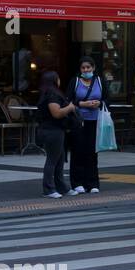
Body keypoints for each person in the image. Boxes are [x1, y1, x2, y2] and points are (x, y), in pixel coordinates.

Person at [36, 70, 77, 199]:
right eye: (58, 78)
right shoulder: (52, 94)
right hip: (52, 130)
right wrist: (70, 108)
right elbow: (56, 113)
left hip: (54, 130)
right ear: (54, 80)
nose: (60, 80)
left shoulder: (48, 93)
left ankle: (62, 187)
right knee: (52, 160)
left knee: (59, 160)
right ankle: (48, 189)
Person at [67, 57, 104, 195]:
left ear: (93, 68)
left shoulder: (100, 81)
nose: (86, 70)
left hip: (95, 121)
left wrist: (99, 104)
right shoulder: (75, 81)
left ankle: (93, 183)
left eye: (88, 67)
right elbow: (68, 100)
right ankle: (77, 183)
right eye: (83, 68)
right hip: (78, 121)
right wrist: (82, 104)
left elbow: (107, 98)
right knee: (78, 152)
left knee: (92, 153)